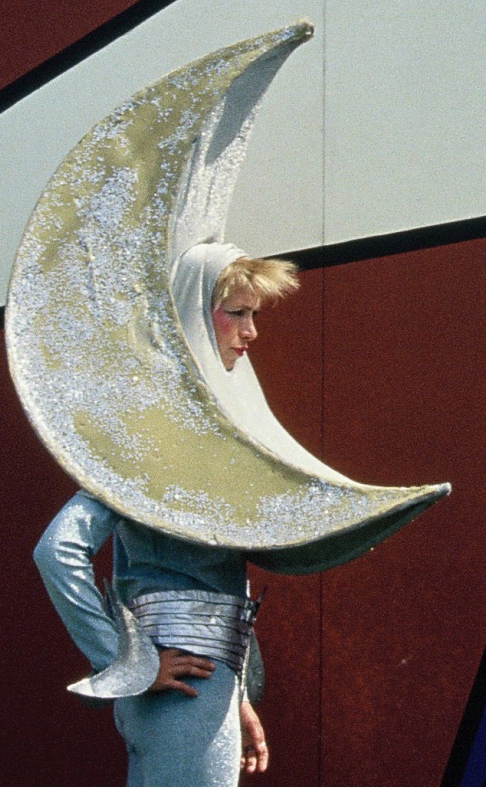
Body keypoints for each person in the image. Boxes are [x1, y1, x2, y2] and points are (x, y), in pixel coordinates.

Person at [34, 246, 297, 786]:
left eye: (255, 315)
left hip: (201, 688)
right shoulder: (155, 437)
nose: (251, 333)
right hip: (180, 690)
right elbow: (57, 550)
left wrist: (234, 695)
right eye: (238, 314)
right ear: (194, 318)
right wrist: (130, 663)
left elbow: (218, 586)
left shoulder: (194, 431)